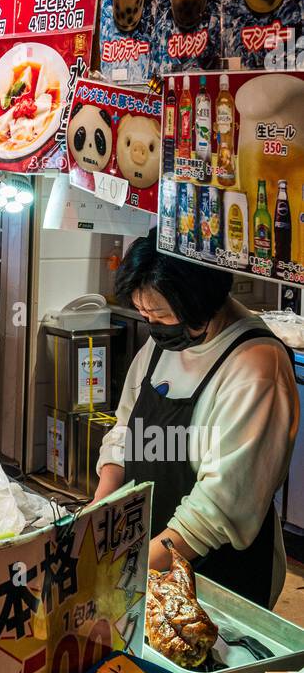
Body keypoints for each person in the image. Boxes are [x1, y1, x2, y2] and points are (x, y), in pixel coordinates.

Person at [94, 230, 298, 608]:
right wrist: (98, 512)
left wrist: (127, 569)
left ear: (199, 303)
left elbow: (216, 510)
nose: (153, 325)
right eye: (144, 314)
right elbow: (125, 431)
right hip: (148, 555)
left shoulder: (256, 367)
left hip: (215, 574)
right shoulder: (165, 340)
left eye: (160, 315)